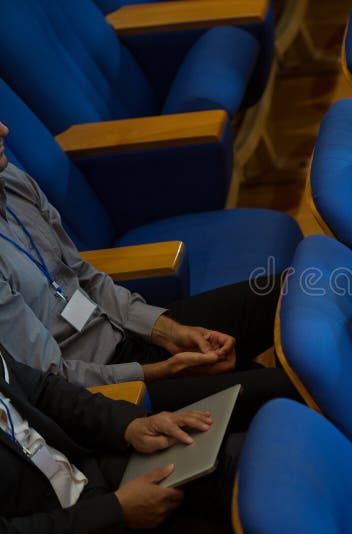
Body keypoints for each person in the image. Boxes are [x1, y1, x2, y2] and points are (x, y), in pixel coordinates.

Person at [0, 120, 300, 426]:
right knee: (287, 390)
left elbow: (85, 275)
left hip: (124, 332)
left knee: (298, 293)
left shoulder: (10, 179)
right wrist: (164, 370)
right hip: (109, 392)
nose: (4, 129)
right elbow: (52, 379)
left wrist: (167, 331)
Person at [0, 342, 244, 532]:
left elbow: (43, 391)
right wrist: (115, 512)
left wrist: (131, 425)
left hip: (86, 469)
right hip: (72, 519)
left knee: (233, 462)